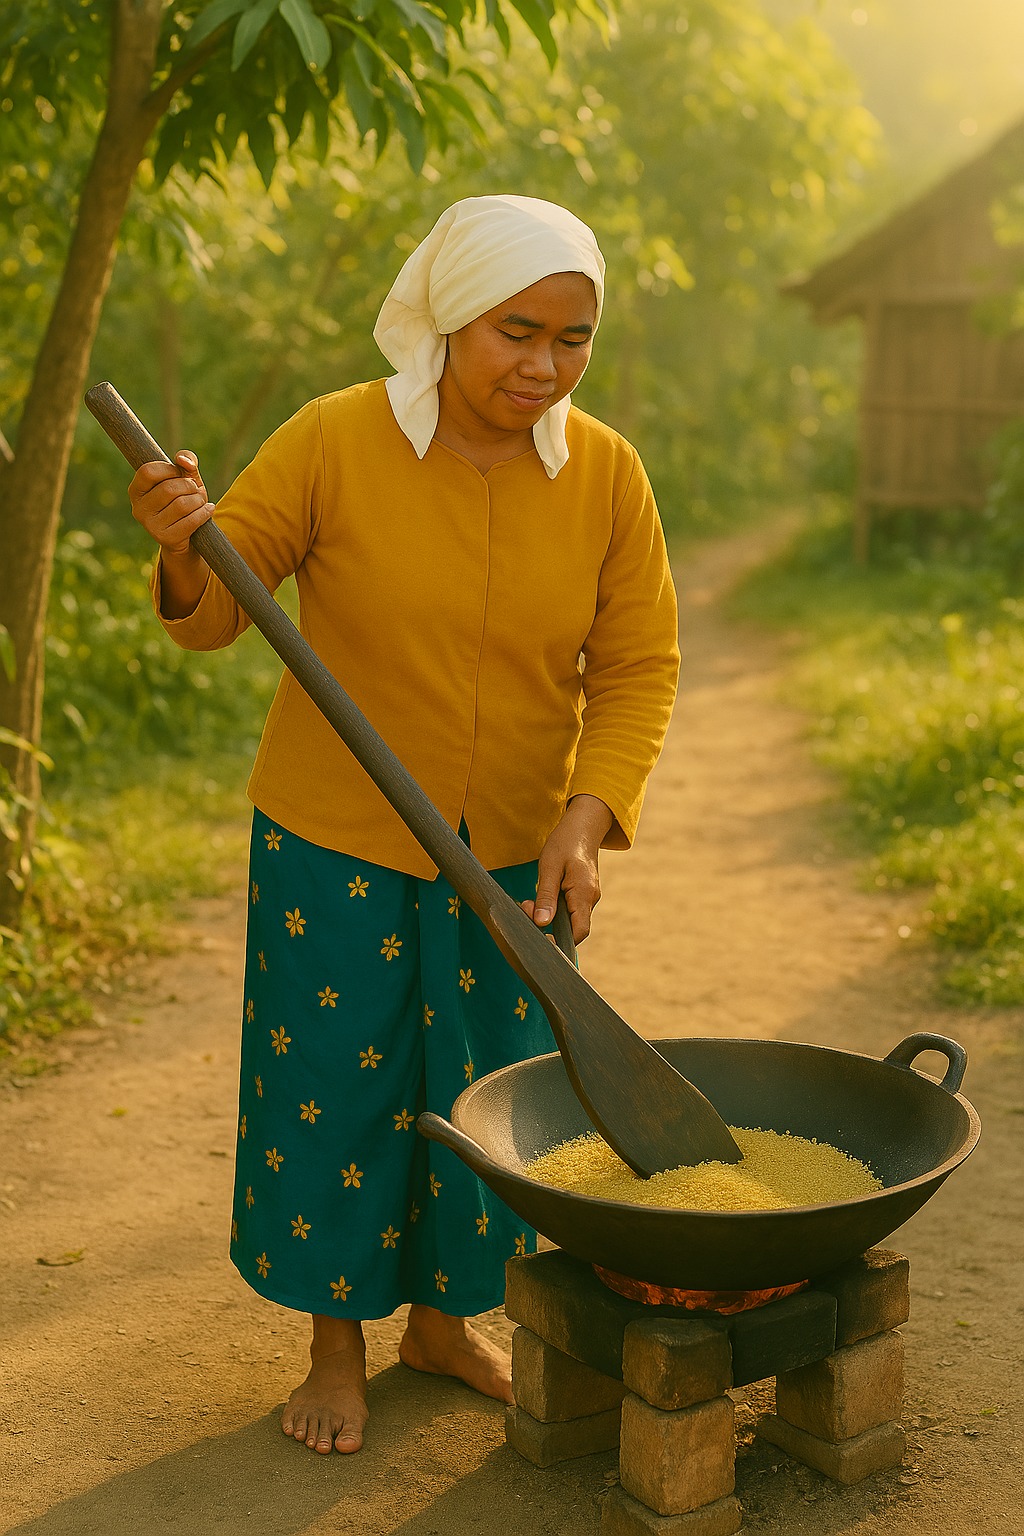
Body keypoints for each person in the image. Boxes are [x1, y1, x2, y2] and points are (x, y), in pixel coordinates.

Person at [128, 194, 680, 1458]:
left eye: (573, 339)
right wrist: (179, 549)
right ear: (448, 320)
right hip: (337, 840)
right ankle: (337, 1344)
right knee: (335, 1086)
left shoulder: (605, 474)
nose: (543, 366)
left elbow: (639, 662)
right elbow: (223, 607)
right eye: (515, 332)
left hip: (510, 856)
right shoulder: (335, 439)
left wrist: (585, 824)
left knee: (485, 1088)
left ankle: (440, 1320)